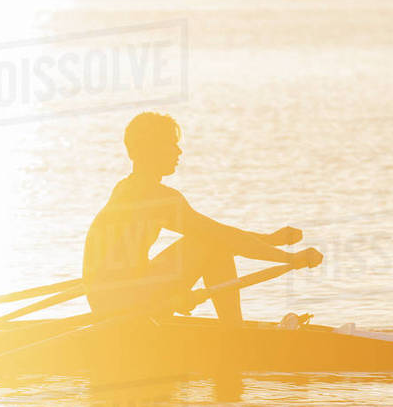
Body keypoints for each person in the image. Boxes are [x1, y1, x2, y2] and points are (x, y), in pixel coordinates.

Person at [83, 112, 322, 323]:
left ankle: (232, 331)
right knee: (213, 244)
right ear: (153, 149)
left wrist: (270, 240)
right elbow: (221, 236)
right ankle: (234, 334)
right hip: (120, 304)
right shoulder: (157, 197)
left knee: (212, 242)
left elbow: (219, 233)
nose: (179, 151)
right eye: (172, 144)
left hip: (113, 296)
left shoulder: (126, 188)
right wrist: (288, 259)